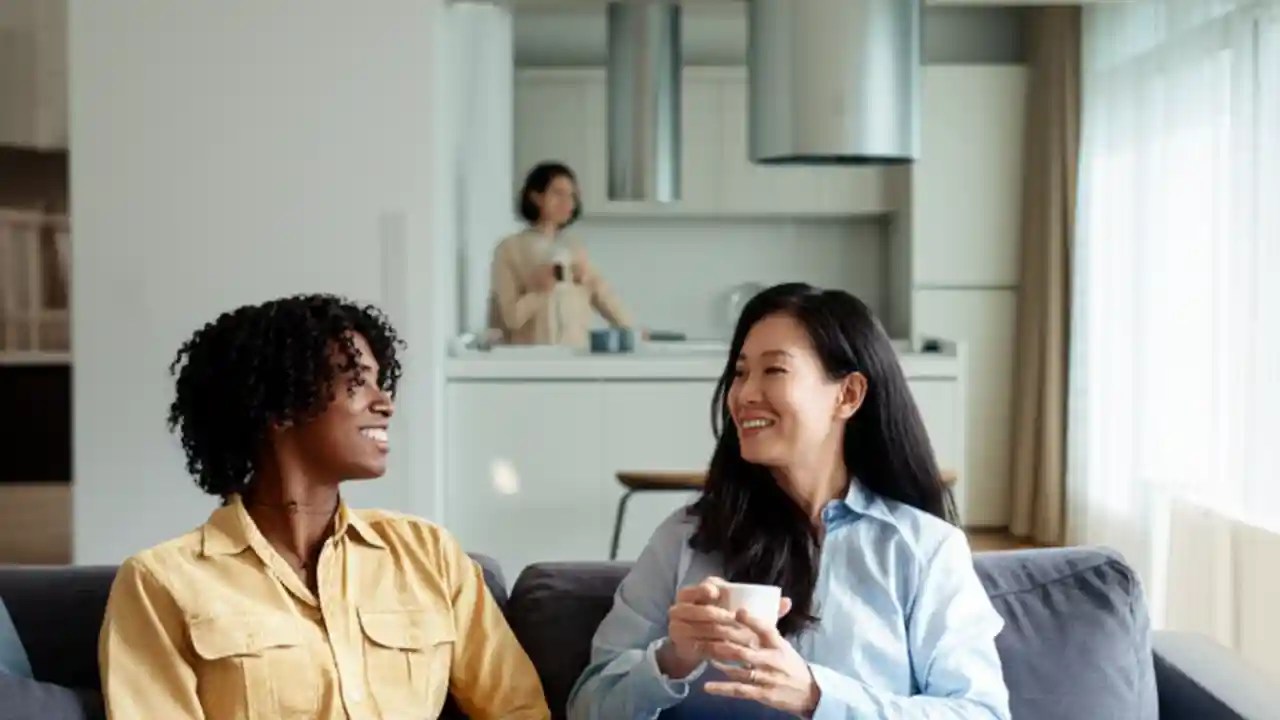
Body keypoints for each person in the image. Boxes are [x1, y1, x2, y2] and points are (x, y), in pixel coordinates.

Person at [566, 283, 1010, 719]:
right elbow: (587, 705)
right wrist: (670, 660)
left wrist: (818, 697)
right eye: (740, 372)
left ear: (848, 394)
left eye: (773, 370)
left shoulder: (923, 549)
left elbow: (979, 713)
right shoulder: (686, 539)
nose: (743, 394)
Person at [98, 294, 550, 720]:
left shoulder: (428, 555)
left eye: (379, 381)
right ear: (281, 405)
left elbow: (518, 710)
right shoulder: (161, 583)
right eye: (356, 382)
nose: (385, 403)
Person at [490, 161, 633, 348]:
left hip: (576, 359)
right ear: (536, 197)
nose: (568, 202)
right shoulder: (510, 249)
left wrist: (632, 331)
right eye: (558, 194)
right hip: (531, 361)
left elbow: (603, 295)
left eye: (572, 196)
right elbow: (511, 319)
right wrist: (537, 292)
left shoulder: (575, 248)